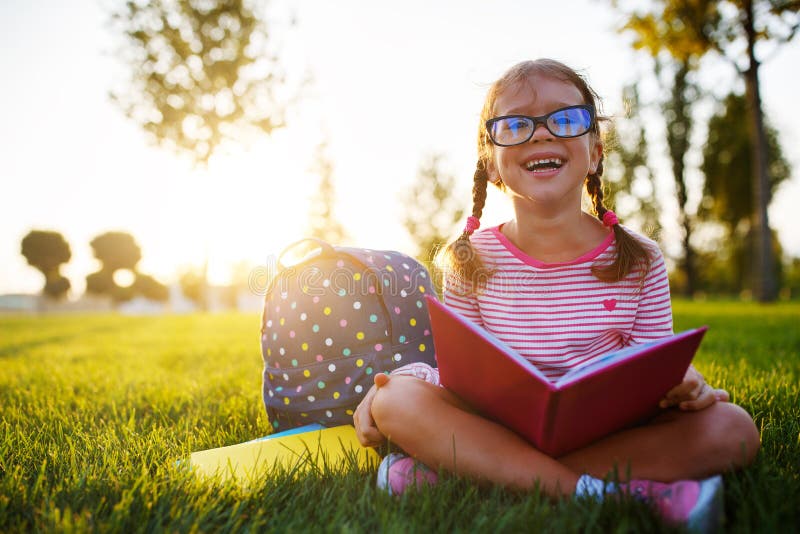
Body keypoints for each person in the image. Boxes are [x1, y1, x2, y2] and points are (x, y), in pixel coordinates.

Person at [353, 59, 760, 529]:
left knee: (733, 428)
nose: (541, 134)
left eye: (565, 119)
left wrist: (685, 383)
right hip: (498, 428)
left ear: (595, 151)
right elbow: (458, 379)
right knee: (396, 401)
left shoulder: (641, 258)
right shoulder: (470, 259)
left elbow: (653, 369)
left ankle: (474, 474)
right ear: (491, 163)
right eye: (515, 125)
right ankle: (609, 494)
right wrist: (403, 382)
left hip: (609, 434)